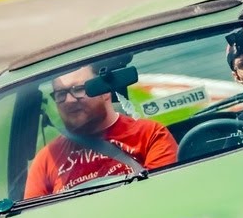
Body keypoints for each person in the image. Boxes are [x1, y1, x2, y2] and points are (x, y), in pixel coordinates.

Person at [24, 64, 178, 198]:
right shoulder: (46, 159)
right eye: (61, 94)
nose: (69, 101)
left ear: (105, 92)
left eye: (79, 89)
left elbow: (161, 196)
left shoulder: (151, 135)